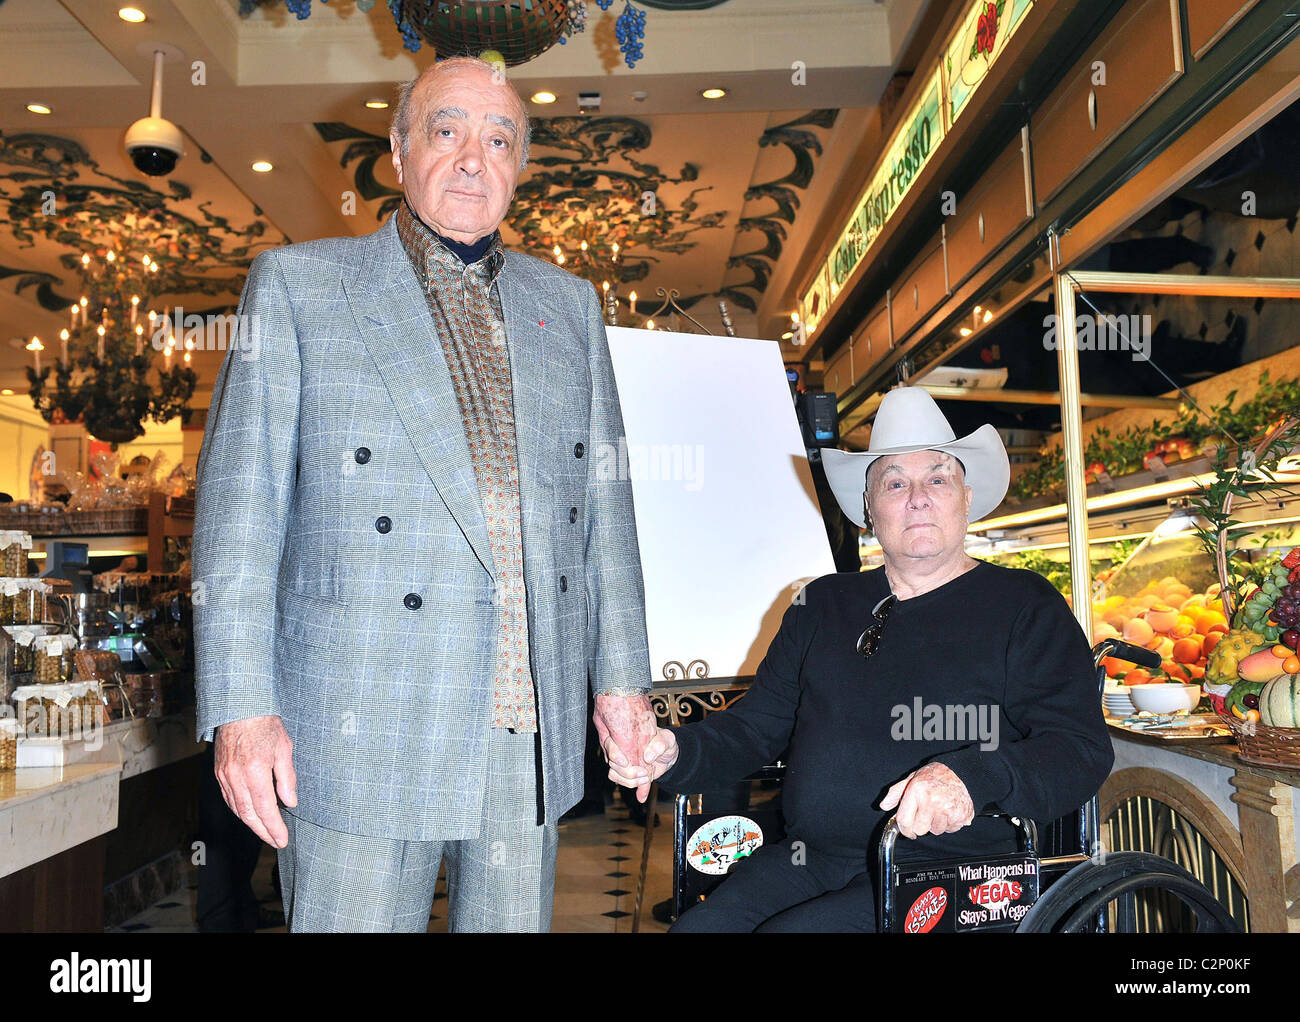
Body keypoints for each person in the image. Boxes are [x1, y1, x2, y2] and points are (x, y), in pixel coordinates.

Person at [192, 57, 657, 933]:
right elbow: (238, 521)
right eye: (447, 131)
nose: (474, 158)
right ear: (399, 151)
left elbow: (605, 519)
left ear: (521, 167)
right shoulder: (299, 287)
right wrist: (242, 712)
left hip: (527, 725)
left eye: (499, 138)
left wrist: (624, 684)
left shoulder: (571, 306)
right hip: (356, 725)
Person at [604, 387, 1113, 931]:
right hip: (811, 858)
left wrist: (971, 776)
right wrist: (672, 752)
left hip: (962, 875)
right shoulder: (822, 602)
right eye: (894, 482)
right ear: (869, 509)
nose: (916, 496)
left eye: (937, 478)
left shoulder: (1024, 604)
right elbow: (756, 729)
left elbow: (1079, 750)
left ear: (966, 497)